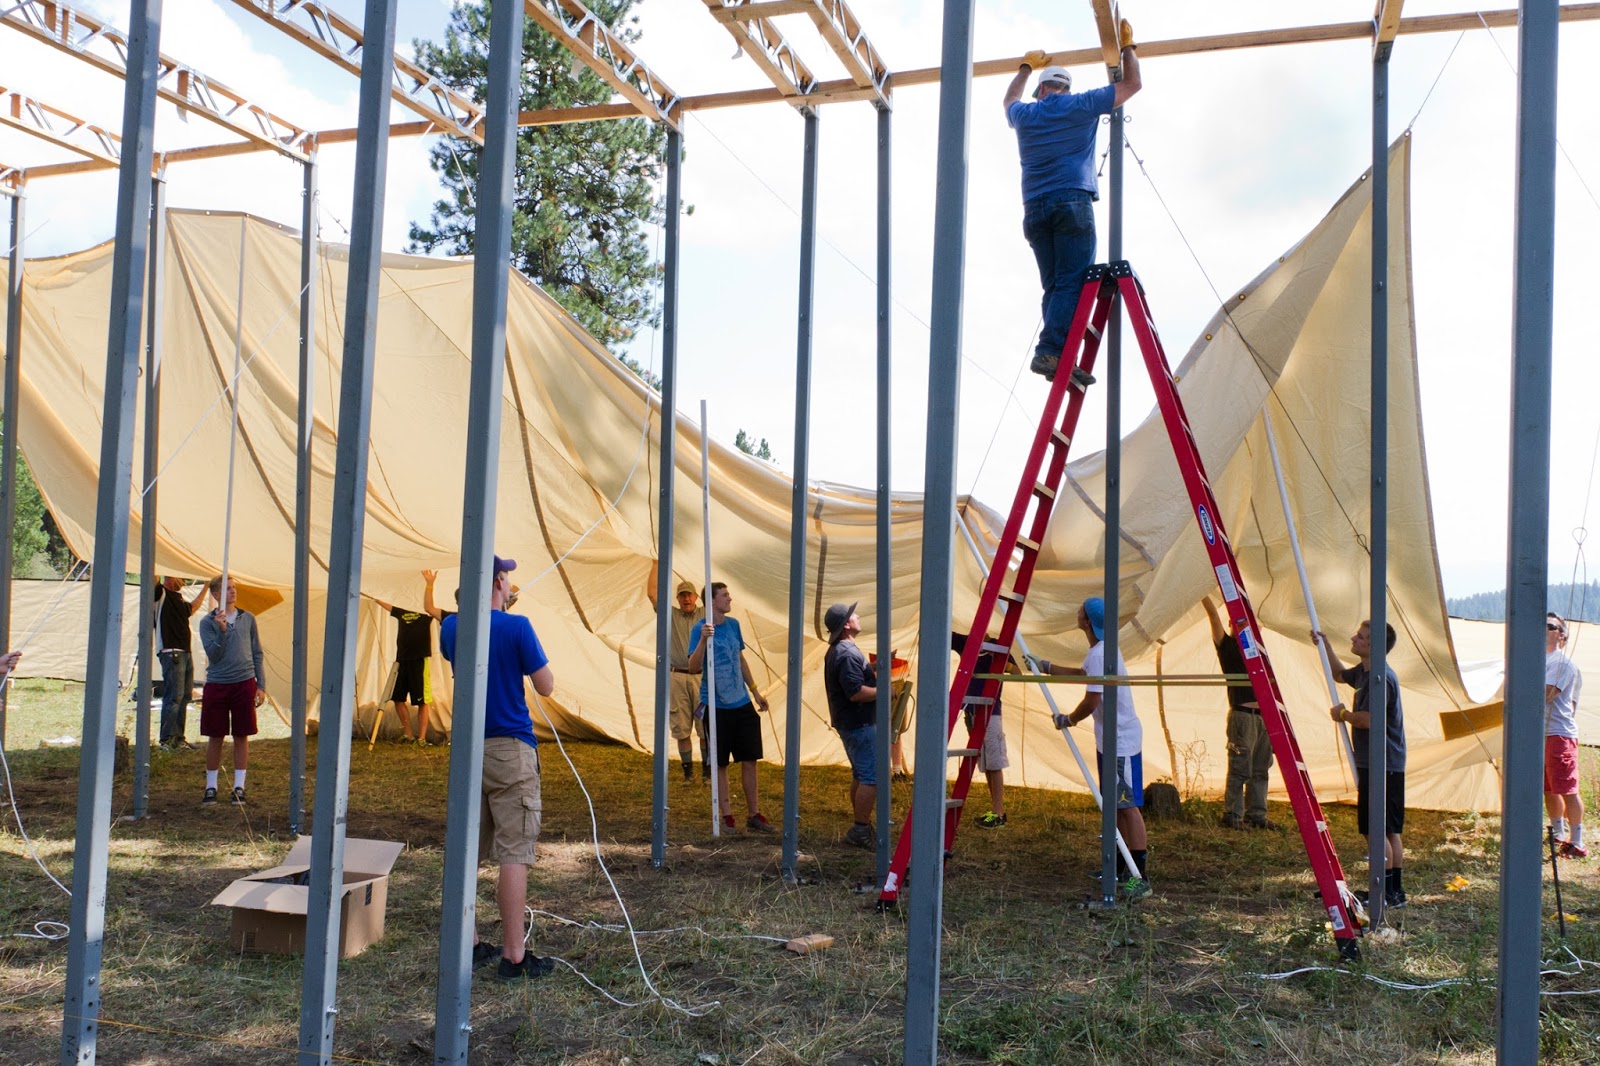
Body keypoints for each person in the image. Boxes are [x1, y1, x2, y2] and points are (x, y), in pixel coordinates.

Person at [439, 554, 558, 981]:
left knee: (468, 849)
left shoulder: (450, 627)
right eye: (506, 578)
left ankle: (467, 943)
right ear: (499, 581)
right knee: (514, 851)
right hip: (510, 747)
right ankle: (514, 954)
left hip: (468, 748)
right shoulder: (517, 626)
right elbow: (545, 684)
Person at [1002, 21, 1142, 380]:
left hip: (1034, 209)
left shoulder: (1026, 114)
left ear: (1042, 90)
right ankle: (1051, 350)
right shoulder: (1081, 104)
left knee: (1055, 285)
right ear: (1065, 88)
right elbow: (1131, 85)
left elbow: (1009, 100)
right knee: (1070, 283)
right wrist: (1127, 49)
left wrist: (1024, 67)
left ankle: (1057, 356)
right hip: (1071, 203)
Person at [1035, 597, 1150, 898]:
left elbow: (1092, 700)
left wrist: (1068, 720)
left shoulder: (1101, 652)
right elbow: (1084, 676)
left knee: (1128, 806)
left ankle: (1140, 874)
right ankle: (1120, 867)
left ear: (1087, 621)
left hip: (1120, 741)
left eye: (1080, 610)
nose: (1077, 613)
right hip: (1112, 739)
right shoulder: (1099, 651)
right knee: (1116, 805)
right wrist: (1047, 667)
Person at [1315, 620, 1407, 908]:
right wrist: (1325, 645)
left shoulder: (1382, 678)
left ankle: (1385, 891)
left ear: (1375, 646)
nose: (1354, 638)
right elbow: (1340, 675)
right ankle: (1393, 891)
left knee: (1377, 828)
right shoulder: (1365, 674)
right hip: (1381, 761)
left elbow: (1368, 719)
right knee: (1388, 828)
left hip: (1383, 763)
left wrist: (1343, 715)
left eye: (1362, 637)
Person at [686, 582, 774, 833]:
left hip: (742, 702)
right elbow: (693, 667)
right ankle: (726, 816)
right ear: (712, 601)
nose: (730, 599)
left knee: (750, 758)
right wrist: (703, 639)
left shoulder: (734, 625)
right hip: (715, 705)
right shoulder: (698, 630)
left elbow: (740, 658)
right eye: (725, 596)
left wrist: (756, 692)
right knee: (720, 762)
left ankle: (754, 813)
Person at [1203, 597, 1275, 829]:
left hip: (1263, 717)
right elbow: (1213, 617)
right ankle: (1232, 816)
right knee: (1240, 768)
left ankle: (1257, 816)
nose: (1245, 628)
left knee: (1260, 769)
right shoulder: (1227, 646)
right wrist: (1203, 593)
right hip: (1242, 716)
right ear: (1231, 624)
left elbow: (1260, 621)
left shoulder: (1258, 652)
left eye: (1249, 625)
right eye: (1239, 623)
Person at [197, 575, 266, 806]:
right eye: (228, 589)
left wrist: (261, 685)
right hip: (217, 683)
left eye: (234, 588)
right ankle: (211, 786)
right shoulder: (207, 623)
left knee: (241, 734)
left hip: (244, 682)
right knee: (215, 736)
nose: (233, 592)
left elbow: (257, 652)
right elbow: (214, 656)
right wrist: (221, 631)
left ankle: (239, 786)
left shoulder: (248, 619)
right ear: (216, 594)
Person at [646, 561, 709, 782]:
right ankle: (688, 773)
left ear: (696, 597)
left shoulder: (705, 614)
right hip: (677, 676)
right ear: (677, 599)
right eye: (682, 596)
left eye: (689, 595)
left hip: (702, 678)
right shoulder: (669, 616)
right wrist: (656, 563)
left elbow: (717, 596)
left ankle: (707, 773)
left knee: (705, 728)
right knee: (681, 727)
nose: (686, 599)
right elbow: (652, 594)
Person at [823, 602, 879, 848]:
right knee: (871, 777)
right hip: (859, 722)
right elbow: (855, 692)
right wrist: (884, 690)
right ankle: (860, 829)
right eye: (852, 615)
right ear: (846, 625)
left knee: (861, 773)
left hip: (852, 722)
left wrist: (874, 669)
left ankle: (862, 824)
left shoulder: (842, 650)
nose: (857, 616)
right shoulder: (846, 653)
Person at [951, 629, 1011, 829]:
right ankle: (995, 810)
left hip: (991, 711)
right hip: (972, 711)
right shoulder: (968, 642)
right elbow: (944, 634)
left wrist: (1000, 663)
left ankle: (999, 812)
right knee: (986, 762)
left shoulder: (998, 647)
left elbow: (1016, 671)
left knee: (994, 762)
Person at [374, 571, 439, 746]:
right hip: (402, 660)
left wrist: (429, 584)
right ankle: (409, 734)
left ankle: (422, 738)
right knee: (398, 698)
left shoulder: (425, 614)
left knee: (422, 701)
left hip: (419, 660)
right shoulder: (401, 611)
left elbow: (431, 604)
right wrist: (371, 592)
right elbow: (385, 604)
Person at [1544, 612, 1586, 859]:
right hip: (1542, 733)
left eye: (1550, 626)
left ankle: (1577, 841)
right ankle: (1559, 834)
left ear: (1561, 635)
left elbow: (1547, 694)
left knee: (1567, 788)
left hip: (1559, 734)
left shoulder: (1562, 663)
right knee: (1548, 788)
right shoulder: (1541, 661)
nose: (1544, 629)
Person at [153, 577, 205, 749]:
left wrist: (206, 587)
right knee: (174, 696)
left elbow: (193, 607)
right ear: (169, 577)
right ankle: (166, 740)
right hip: (171, 652)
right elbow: (152, 576)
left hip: (185, 653)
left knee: (185, 697)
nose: (183, 581)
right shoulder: (160, 594)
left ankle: (178, 739)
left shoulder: (179, 599)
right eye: (180, 577)